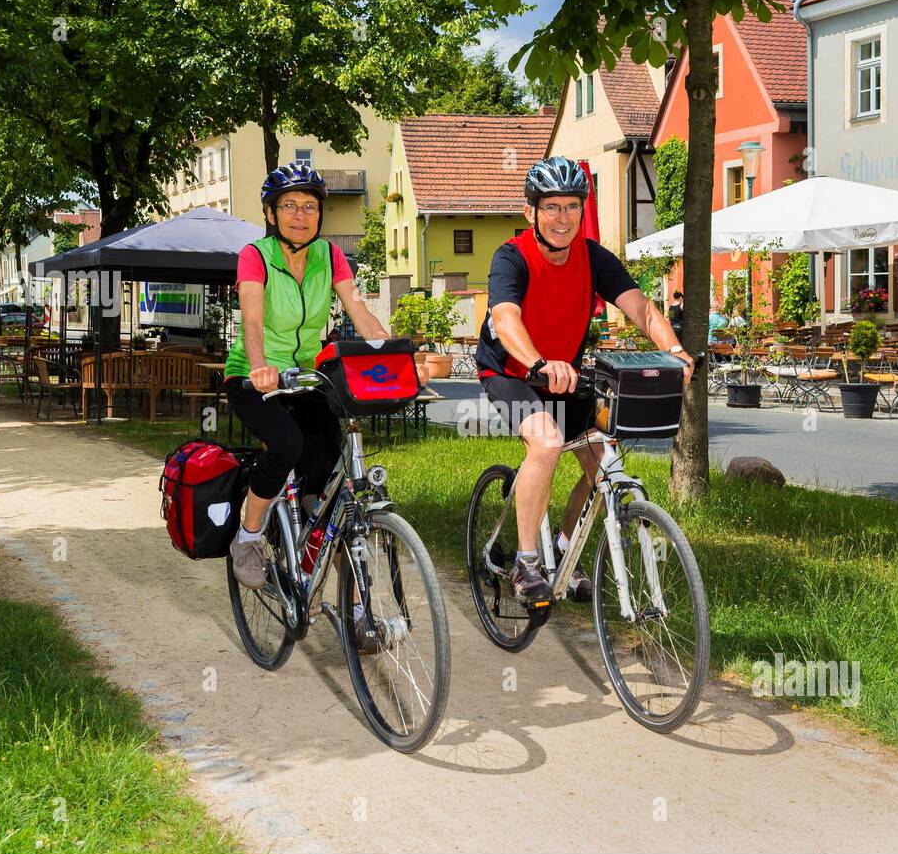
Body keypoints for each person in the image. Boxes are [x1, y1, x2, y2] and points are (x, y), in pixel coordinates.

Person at [476, 156, 692, 603]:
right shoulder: (511, 257)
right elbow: (506, 316)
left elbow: (642, 310)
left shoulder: (592, 257)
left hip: (564, 376)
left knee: (604, 457)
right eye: (551, 207)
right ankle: (526, 563)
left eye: (572, 207)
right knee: (547, 442)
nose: (562, 218)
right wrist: (539, 362)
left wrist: (673, 351)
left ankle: (563, 543)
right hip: (511, 372)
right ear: (530, 212)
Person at [224, 162, 427, 604]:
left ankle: (355, 610)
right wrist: (259, 367)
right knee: (286, 444)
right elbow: (253, 322)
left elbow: (361, 313)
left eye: (310, 206)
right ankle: (249, 534)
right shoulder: (254, 256)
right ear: (272, 214)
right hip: (253, 375)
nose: (300, 215)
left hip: (306, 375)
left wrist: (396, 355)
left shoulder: (329, 256)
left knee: (332, 474)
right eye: (290, 206)